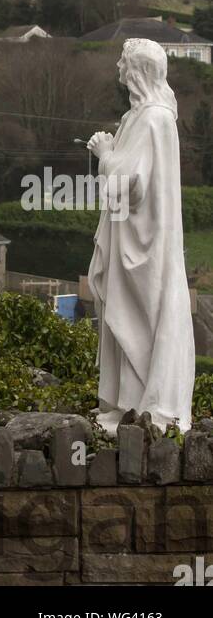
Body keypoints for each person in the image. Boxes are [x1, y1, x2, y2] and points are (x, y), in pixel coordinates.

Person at [87, 38, 195, 434]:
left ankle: (150, 406)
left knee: (142, 320)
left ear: (139, 71)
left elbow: (130, 184)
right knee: (129, 319)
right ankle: (126, 405)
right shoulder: (138, 118)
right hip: (132, 236)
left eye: (124, 61)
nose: (118, 66)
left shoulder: (153, 119)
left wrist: (104, 153)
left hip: (145, 245)